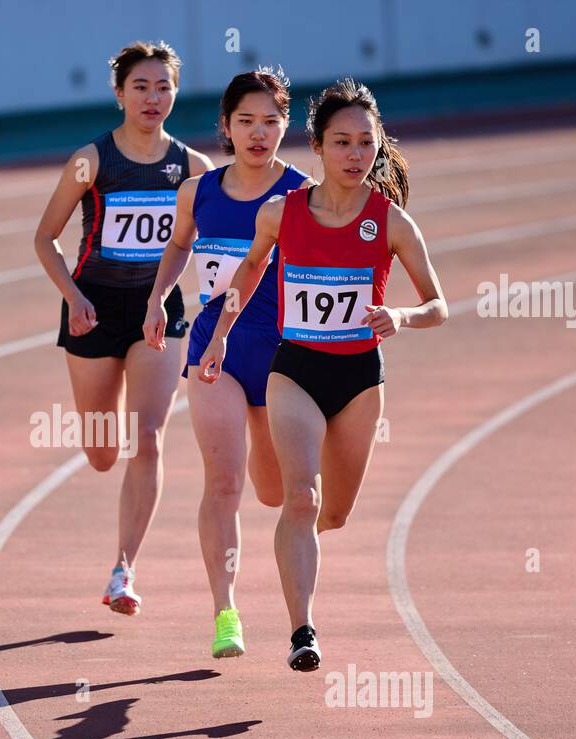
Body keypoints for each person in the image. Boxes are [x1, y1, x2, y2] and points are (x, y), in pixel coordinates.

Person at [203, 77, 447, 670]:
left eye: (367, 142)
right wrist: (218, 338)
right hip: (296, 370)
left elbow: (439, 305)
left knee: (334, 513)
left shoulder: (390, 222)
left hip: (360, 380)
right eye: (342, 142)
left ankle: (301, 561)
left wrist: (402, 316)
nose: (355, 154)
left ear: (379, 146)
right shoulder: (280, 212)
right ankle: (302, 631)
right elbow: (248, 275)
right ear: (318, 146)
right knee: (302, 499)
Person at [34, 40, 215, 615]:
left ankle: (123, 570)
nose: (152, 97)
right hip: (93, 310)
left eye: (164, 86)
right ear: (119, 94)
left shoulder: (193, 168)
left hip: (158, 310)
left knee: (149, 437)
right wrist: (73, 296)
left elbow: (209, 247)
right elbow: (46, 238)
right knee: (101, 453)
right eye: (140, 86)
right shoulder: (92, 160)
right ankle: (100, 444)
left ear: (176, 93)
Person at [143, 68, 307, 657]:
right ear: (227, 128)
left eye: (270, 122)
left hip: (280, 351)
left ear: (286, 125)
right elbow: (180, 243)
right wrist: (160, 295)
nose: (259, 134)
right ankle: (225, 613)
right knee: (224, 481)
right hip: (215, 347)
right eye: (246, 123)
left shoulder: (302, 196)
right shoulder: (200, 191)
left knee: (270, 491)